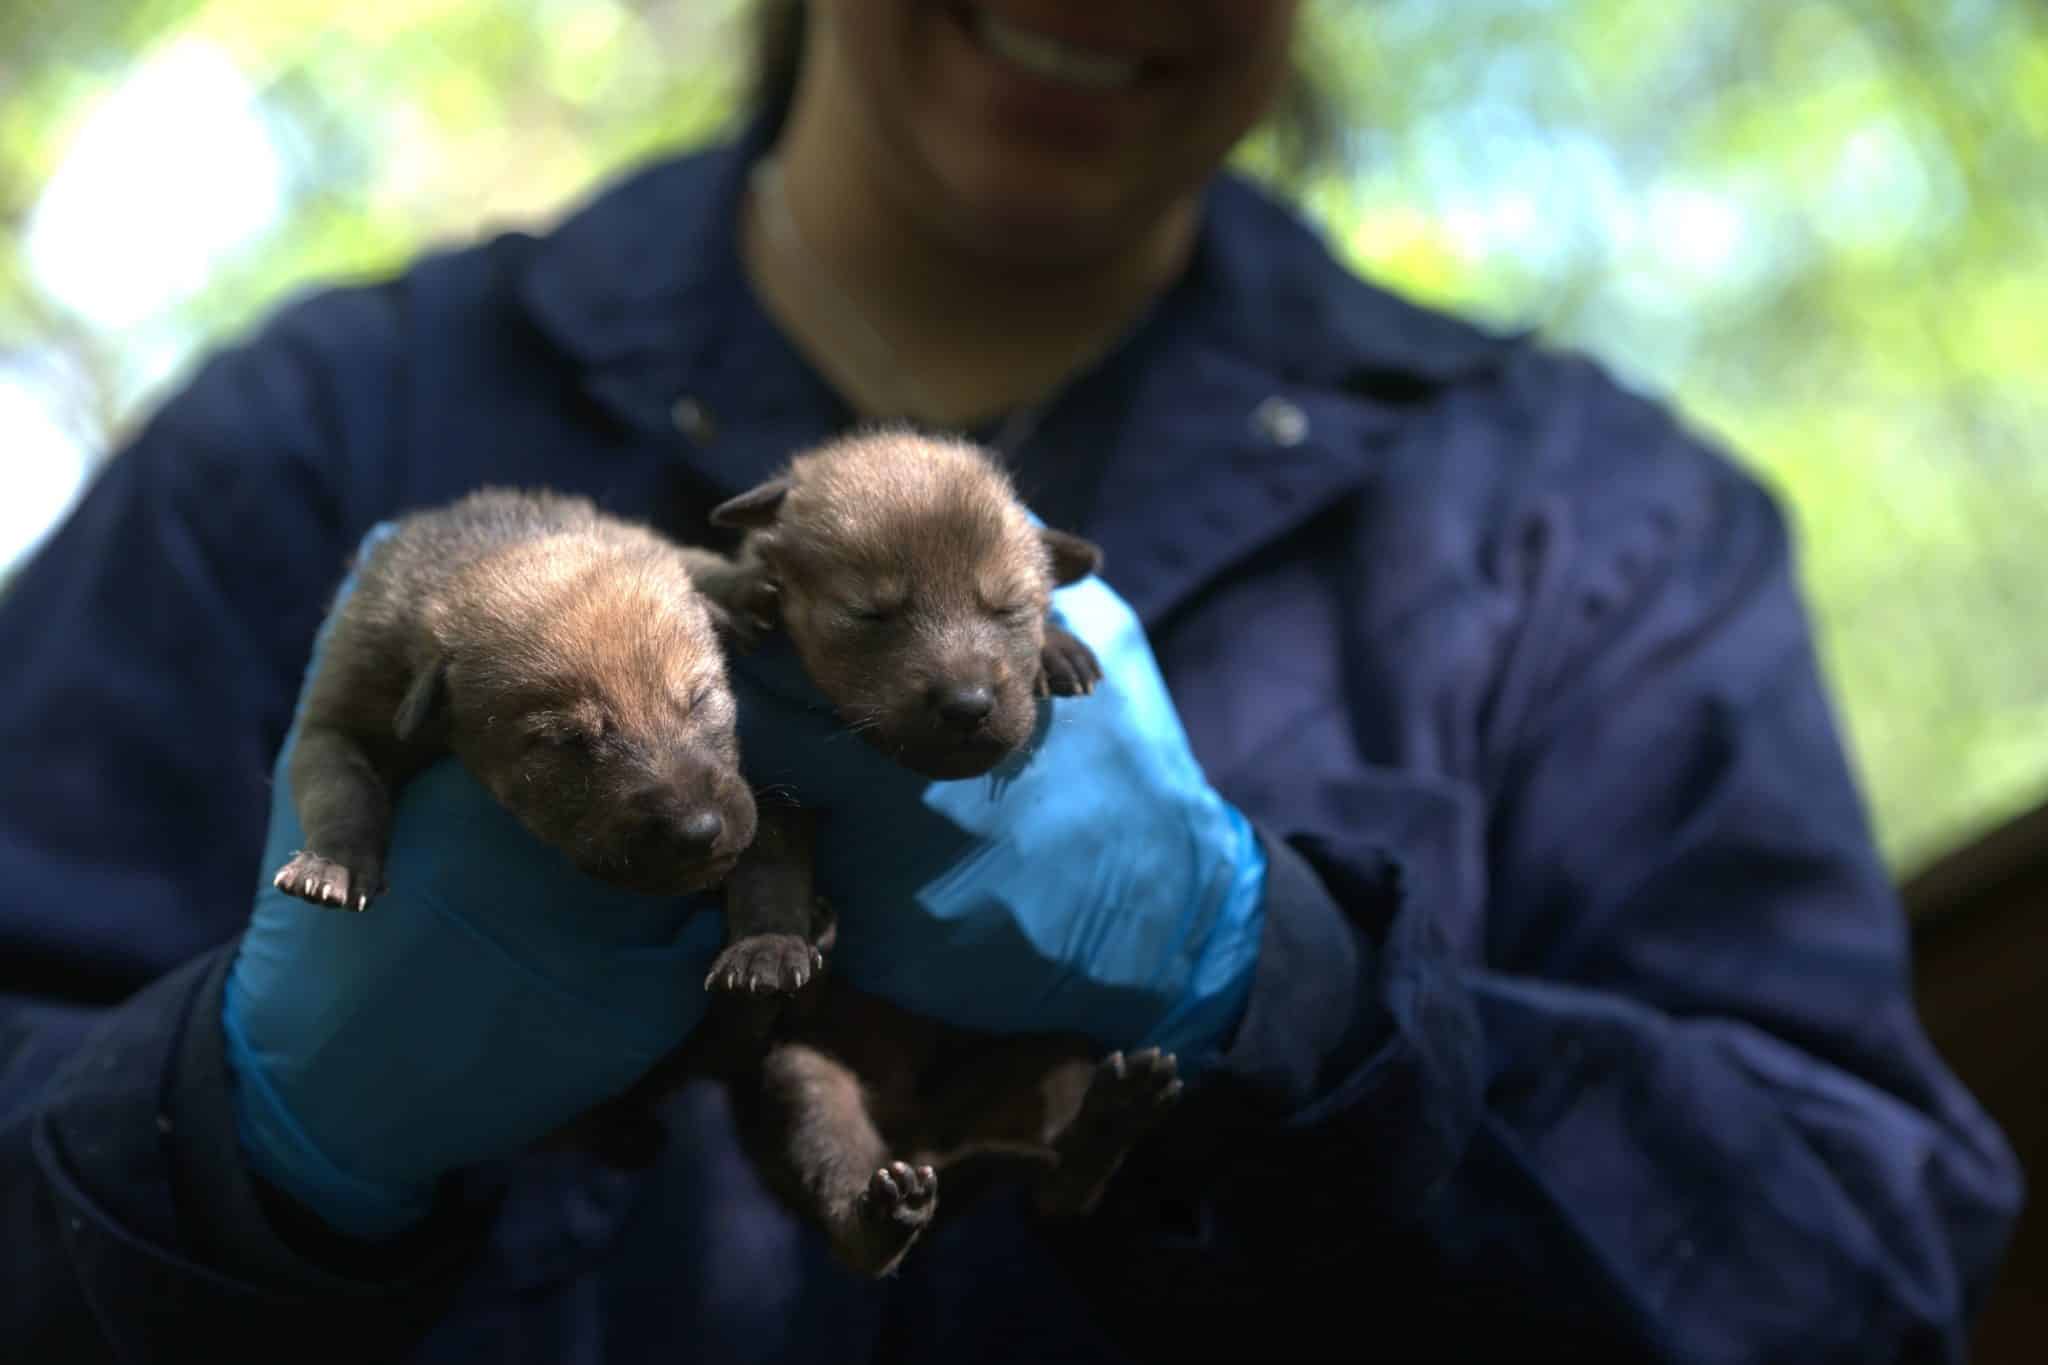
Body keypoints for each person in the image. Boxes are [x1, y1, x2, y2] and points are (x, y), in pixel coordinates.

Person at [0, 1, 2024, 1360]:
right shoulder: (318, 439)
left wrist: (1292, 980)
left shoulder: (1588, 535)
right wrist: (244, 1141)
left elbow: (1855, 1267)